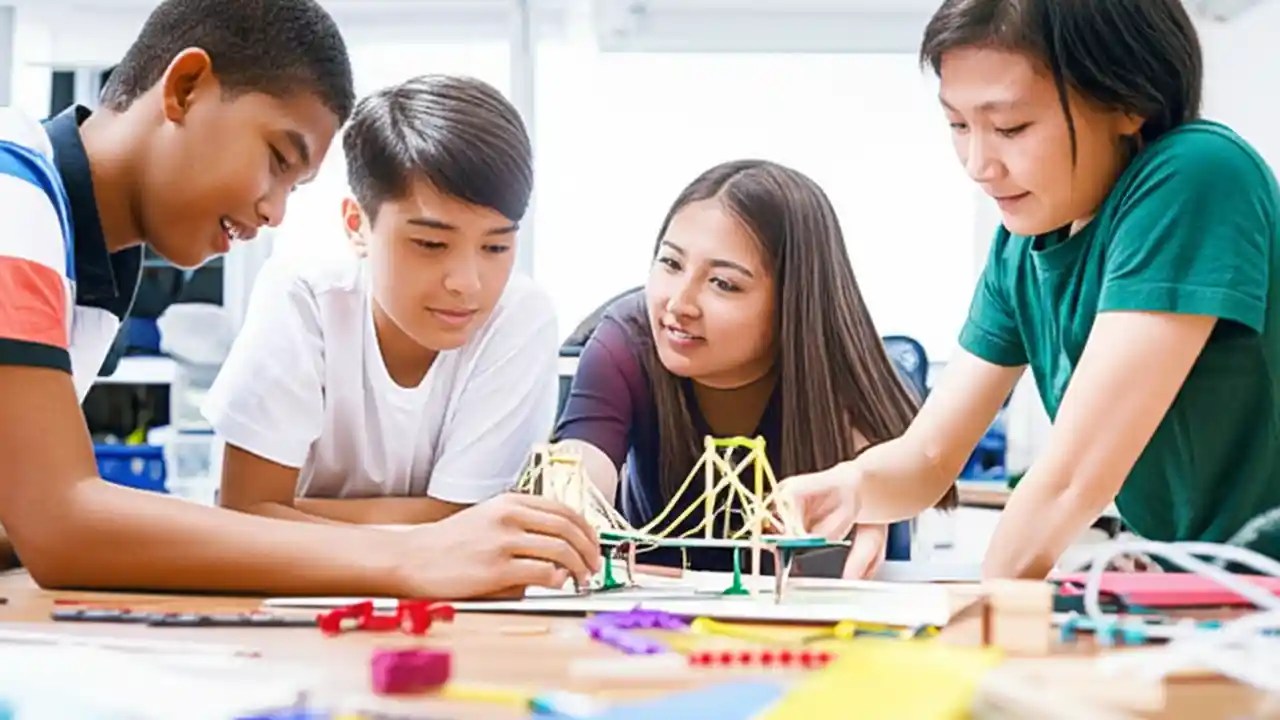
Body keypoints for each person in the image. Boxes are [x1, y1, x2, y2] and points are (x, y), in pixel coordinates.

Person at [0, 0, 597, 598]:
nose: (274, 211)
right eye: (277, 161)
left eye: (294, 185)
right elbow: (61, 526)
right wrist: (408, 556)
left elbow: (26, 519)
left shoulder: (85, 257)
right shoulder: (13, 198)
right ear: (184, 89)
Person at [782, 0, 1280, 579]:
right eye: (959, 125)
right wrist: (853, 484)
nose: (977, 163)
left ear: (1129, 101)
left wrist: (979, 628)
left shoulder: (1198, 175)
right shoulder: (1023, 245)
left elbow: (1071, 480)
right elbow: (928, 457)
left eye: (1011, 127)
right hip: (1210, 594)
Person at [552, 159, 954, 577]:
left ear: (792, 301)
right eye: (671, 264)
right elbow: (582, 467)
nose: (678, 304)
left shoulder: (848, 376)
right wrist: (566, 502)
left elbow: (887, 486)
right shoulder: (626, 341)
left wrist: (874, 505)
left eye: (723, 283)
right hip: (654, 620)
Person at [205, 75, 560, 527]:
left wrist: (290, 514)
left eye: (496, 247)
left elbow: (469, 521)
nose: (468, 283)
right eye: (431, 245)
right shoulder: (304, 296)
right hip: (288, 592)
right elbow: (244, 514)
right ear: (357, 225)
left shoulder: (520, 316)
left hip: (446, 594)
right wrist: (438, 530)